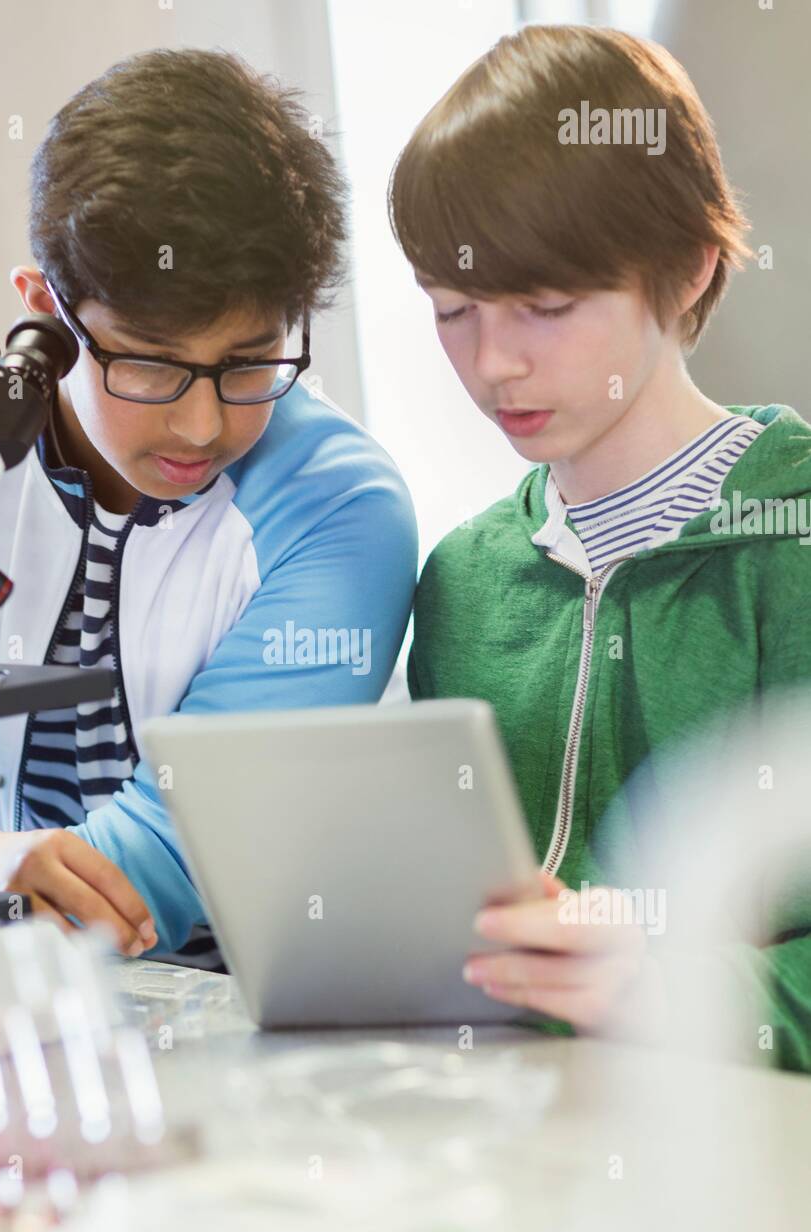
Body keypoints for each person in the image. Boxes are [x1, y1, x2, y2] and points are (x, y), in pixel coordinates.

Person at [0, 49, 417, 962]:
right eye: (149, 361)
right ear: (45, 312)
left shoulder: (341, 509)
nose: (202, 422)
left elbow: (158, 873)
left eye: (250, 361)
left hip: (221, 1001)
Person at [389, 23, 811, 1070]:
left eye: (546, 307)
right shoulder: (463, 582)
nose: (492, 365)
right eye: (453, 311)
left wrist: (672, 988)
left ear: (688, 270)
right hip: (518, 1145)